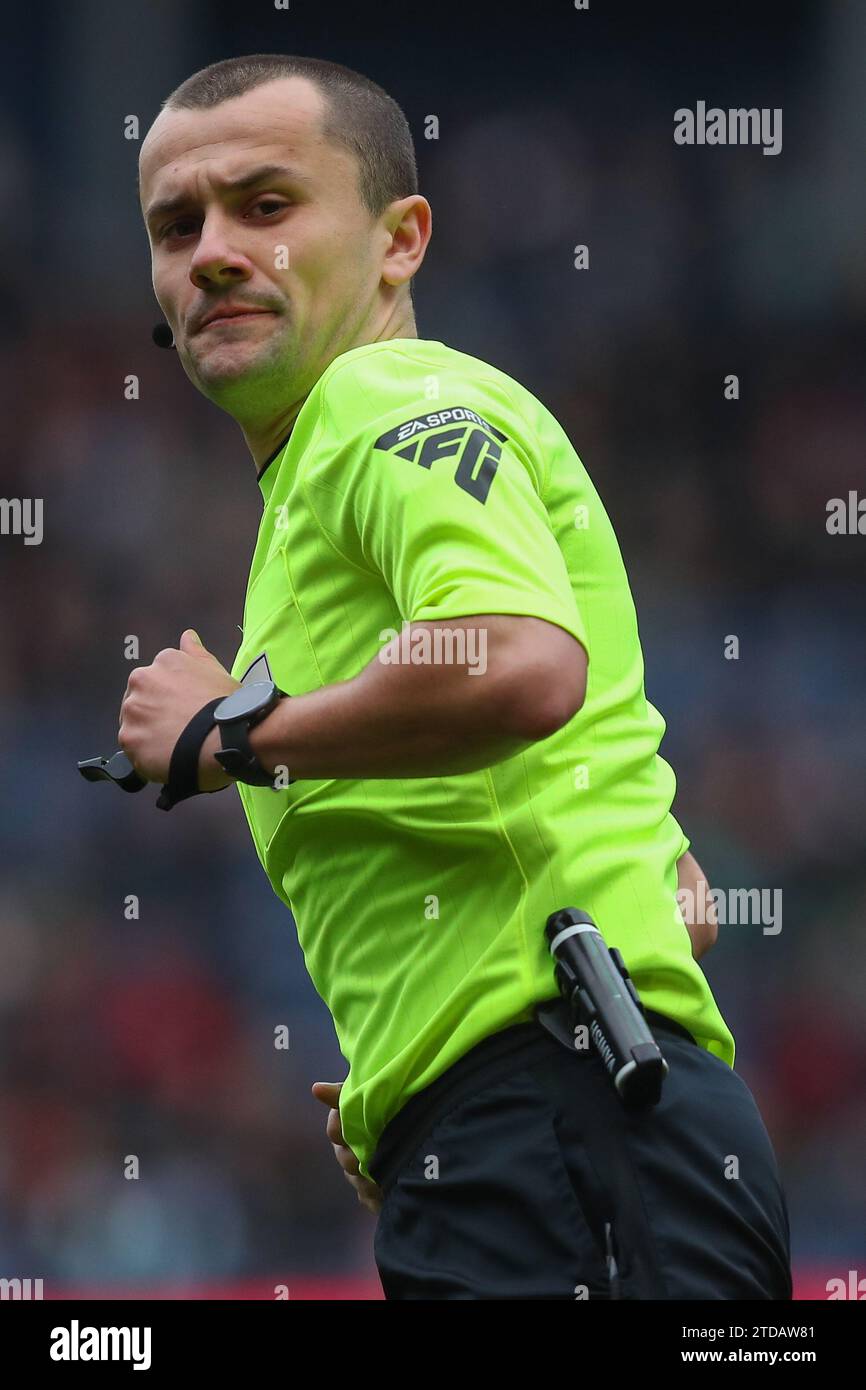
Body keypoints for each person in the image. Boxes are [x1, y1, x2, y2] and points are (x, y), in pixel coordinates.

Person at [123, 52, 792, 1299]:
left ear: (399, 242)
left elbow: (519, 665)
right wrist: (408, 1080)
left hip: (567, 1129)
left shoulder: (383, 398)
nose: (212, 251)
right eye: (177, 224)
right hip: (552, 1130)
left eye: (265, 205)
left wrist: (228, 732)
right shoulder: (319, 494)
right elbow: (679, 894)